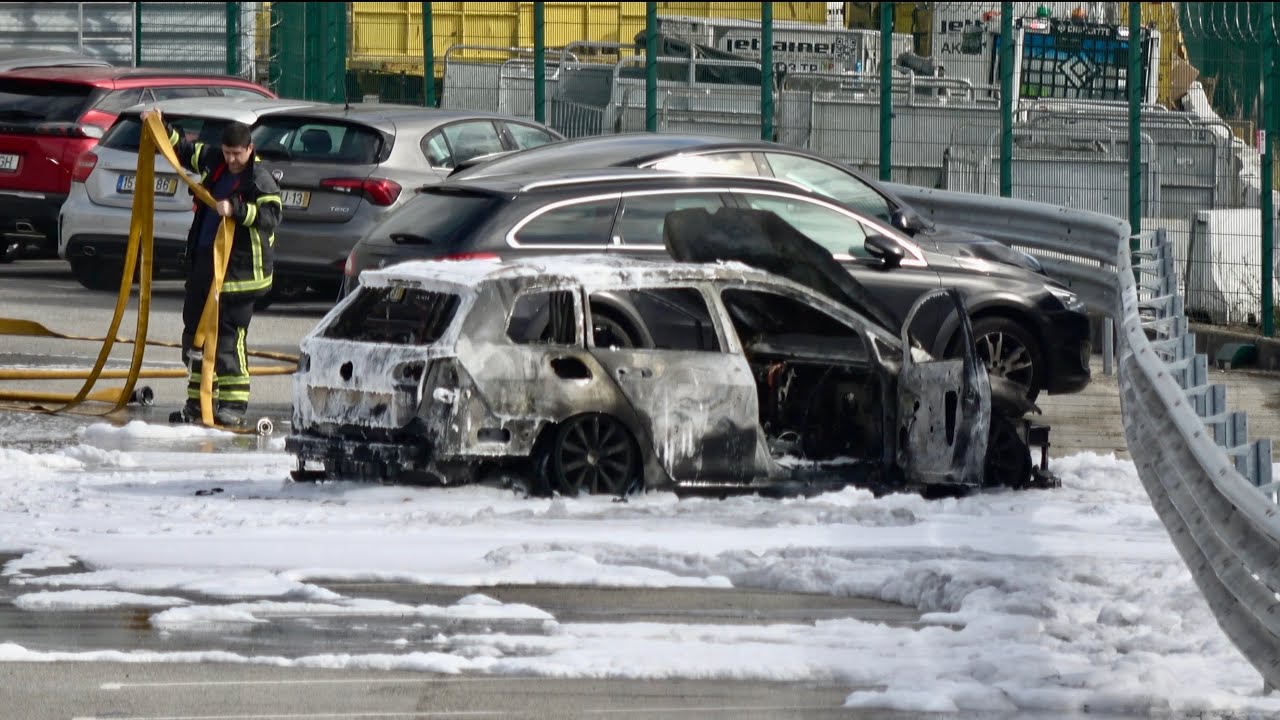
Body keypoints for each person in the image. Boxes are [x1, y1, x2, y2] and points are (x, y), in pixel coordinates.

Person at [140, 110, 282, 427]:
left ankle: (233, 406)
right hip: (205, 264)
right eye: (228, 152)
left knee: (228, 341)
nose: (232, 159)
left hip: (239, 275)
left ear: (249, 150)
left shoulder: (259, 179)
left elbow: (271, 215)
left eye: (237, 154)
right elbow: (186, 150)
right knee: (195, 338)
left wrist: (236, 209)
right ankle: (197, 402)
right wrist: (160, 125)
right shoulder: (215, 161)